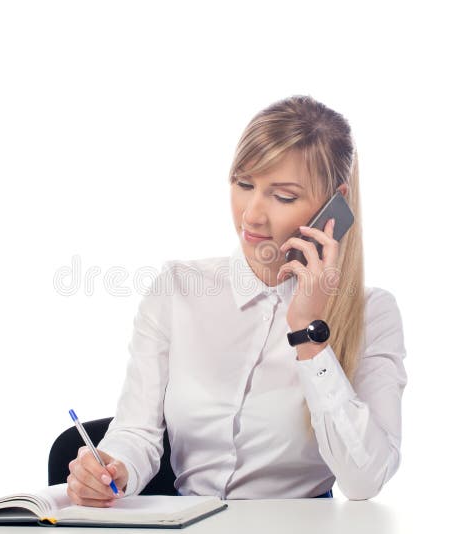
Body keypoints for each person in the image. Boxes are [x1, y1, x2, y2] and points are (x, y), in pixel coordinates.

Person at [66, 95, 408, 506]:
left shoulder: (373, 313)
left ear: (334, 203)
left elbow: (365, 480)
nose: (252, 216)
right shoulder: (176, 289)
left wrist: (309, 334)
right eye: (243, 184)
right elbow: (137, 432)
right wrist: (115, 465)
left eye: (282, 196)